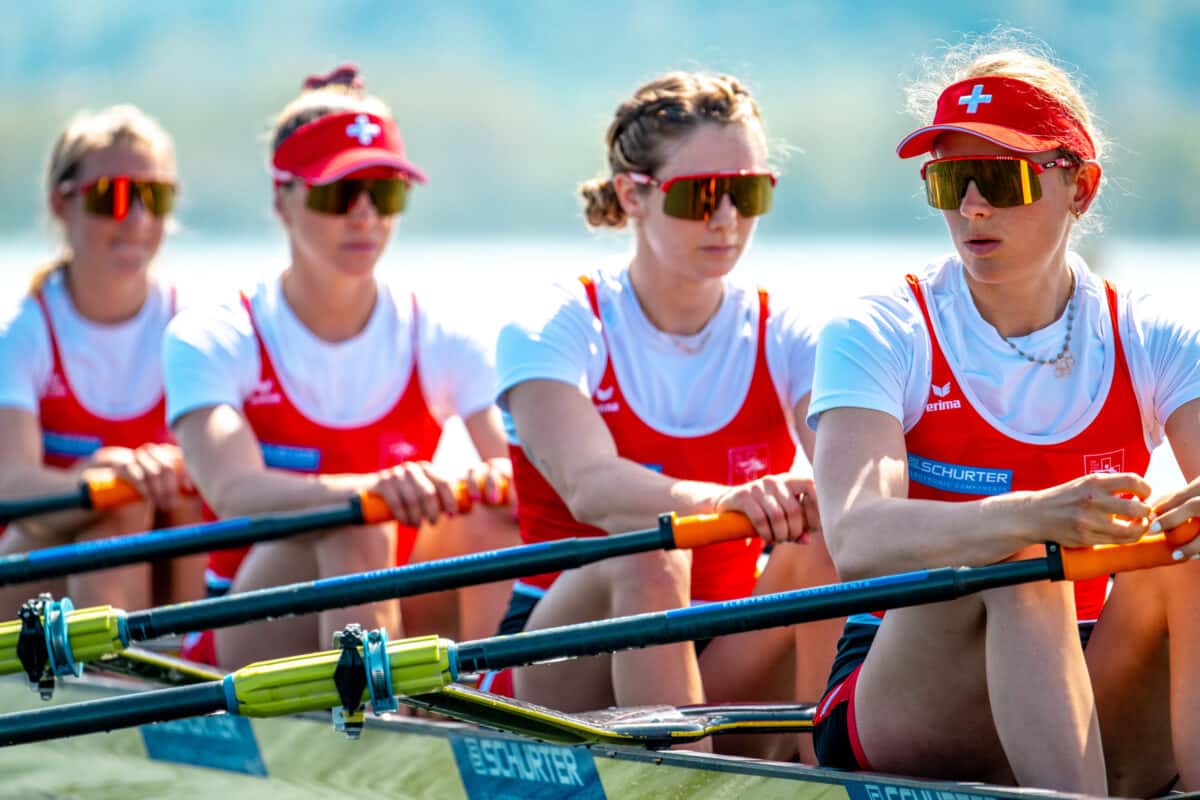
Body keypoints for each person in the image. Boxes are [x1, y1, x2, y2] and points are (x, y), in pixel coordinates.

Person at [808, 34, 1200, 794]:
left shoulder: (1153, 334)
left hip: (1086, 673)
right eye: (949, 180)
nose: (972, 206)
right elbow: (855, 535)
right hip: (903, 695)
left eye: (998, 177)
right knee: (1022, 557)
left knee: (1191, 546)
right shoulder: (881, 329)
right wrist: (1030, 513)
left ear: (1079, 188)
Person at [496, 71, 841, 761]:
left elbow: (848, 471)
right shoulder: (555, 325)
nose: (727, 220)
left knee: (833, 537)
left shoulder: (788, 330)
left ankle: (821, 764)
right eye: (702, 195)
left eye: (749, 193)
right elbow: (590, 485)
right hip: (559, 660)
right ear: (633, 194)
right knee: (650, 550)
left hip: (722, 647)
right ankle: (695, 778)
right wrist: (730, 499)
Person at [164, 65, 516, 669]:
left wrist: (501, 480)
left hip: (396, 600)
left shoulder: (440, 333)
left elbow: (518, 477)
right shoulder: (215, 334)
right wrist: (372, 489)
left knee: (496, 513)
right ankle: (379, 726)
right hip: (247, 627)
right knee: (356, 523)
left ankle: (490, 710)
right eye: (337, 194)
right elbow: (233, 489)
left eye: (384, 194)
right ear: (281, 198)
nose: (364, 217)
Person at [0, 104, 204, 613]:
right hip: (31, 579)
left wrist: (161, 470)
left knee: (160, 491)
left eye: (154, 197)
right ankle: (117, 675)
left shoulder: (193, 326)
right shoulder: (22, 334)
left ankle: (181, 654)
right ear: (60, 205)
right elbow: (11, 484)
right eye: (111, 196)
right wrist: (101, 477)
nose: (137, 219)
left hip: (159, 570)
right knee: (116, 500)